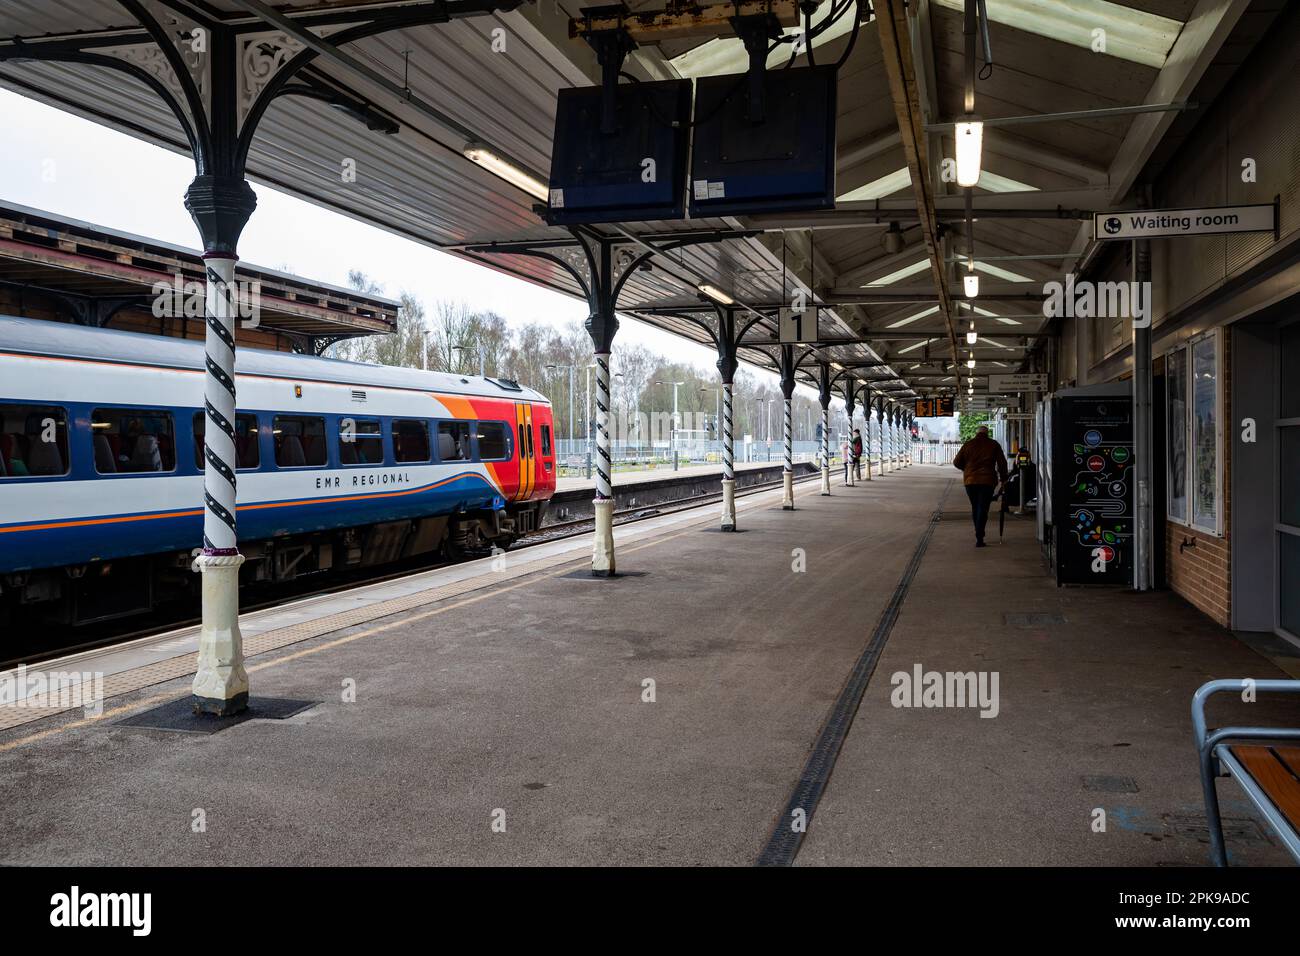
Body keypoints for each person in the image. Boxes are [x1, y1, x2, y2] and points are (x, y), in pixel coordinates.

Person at [952, 424, 1008, 547]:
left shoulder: (968, 444)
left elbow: (956, 462)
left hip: (970, 481)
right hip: (987, 481)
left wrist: (967, 470)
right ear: (987, 433)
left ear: (977, 433)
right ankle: (979, 537)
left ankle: (978, 534)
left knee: (975, 507)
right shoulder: (993, 444)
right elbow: (1002, 463)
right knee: (983, 508)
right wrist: (1004, 478)